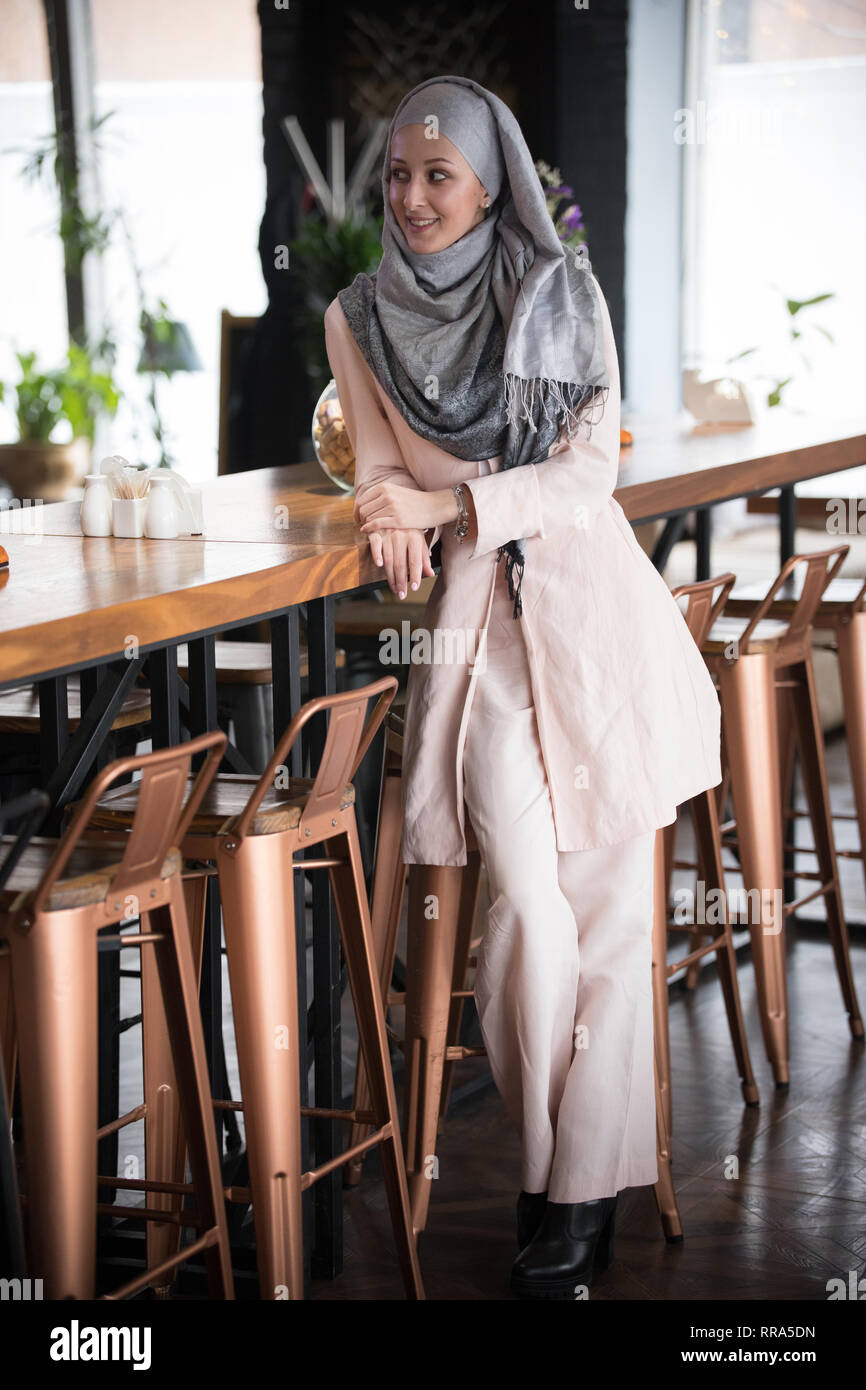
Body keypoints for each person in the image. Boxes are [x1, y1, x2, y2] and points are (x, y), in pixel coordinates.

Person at [324, 75, 721, 1300]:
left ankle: (575, 1193)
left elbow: (584, 474)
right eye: (398, 175)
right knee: (525, 912)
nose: (412, 196)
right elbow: (378, 472)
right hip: (478, 639)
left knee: (608, 916)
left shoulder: (560, 293)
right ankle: (553, 1164)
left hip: (593, 619)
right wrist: (388, 507)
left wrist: (444, 502)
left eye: (438, 175)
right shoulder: (356, 316)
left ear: (490, 183)